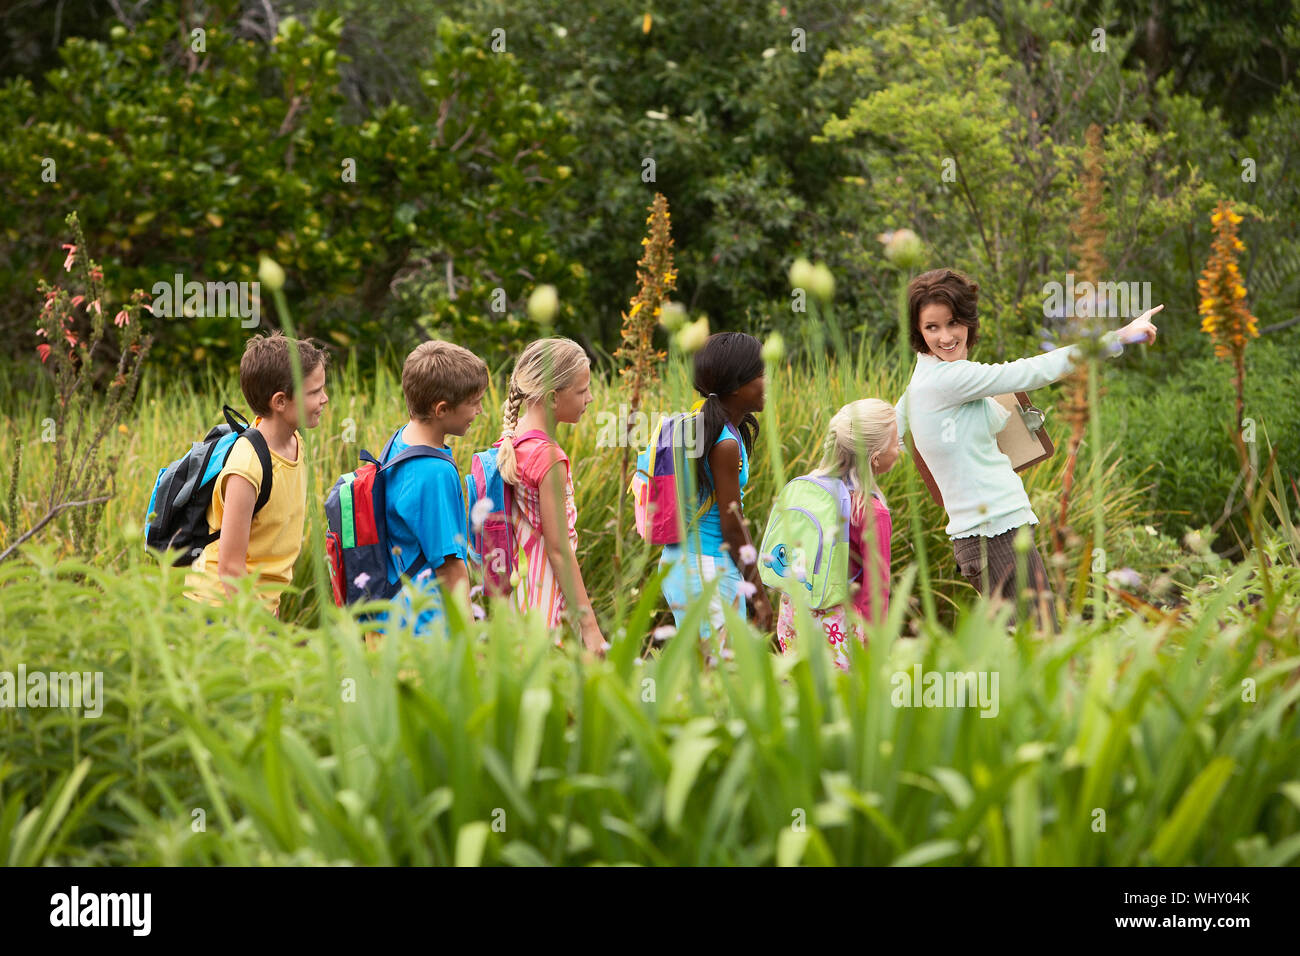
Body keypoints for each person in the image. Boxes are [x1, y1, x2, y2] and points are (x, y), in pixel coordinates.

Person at [895, 268, 1161, 630]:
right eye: (932, 327)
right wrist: (1120, 336)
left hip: (992, 535)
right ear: (919, 332)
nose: (945, 336)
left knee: (1031, 654)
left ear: (969, 321)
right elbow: (1033, 370)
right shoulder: (946, 380)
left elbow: (890, 431)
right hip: (994, 537)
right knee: (1042, 648)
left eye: (954, 322)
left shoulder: (923, 379)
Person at [184, 332, 328, 617]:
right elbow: (230, 568)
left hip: (257, 605)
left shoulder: (294, 441)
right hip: (220, 610)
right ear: (280, 401)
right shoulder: (246, 468)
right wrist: (258, 630)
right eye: (314, 392)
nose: (324, 399)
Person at [660, 332, 774, 643]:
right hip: (706, 568)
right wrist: (759, 596)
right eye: (762, 374)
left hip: (680, 563)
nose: (768, 381)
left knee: (704, 671)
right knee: (722, 676)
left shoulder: (700, 424)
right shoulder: (723, 443)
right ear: (737, 386)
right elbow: (732, 528)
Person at [496, 337, 606, 655]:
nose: (590, 398)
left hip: (515, 596)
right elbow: (559, 551)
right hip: (543, 601)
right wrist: (590, 628)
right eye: (582, 391)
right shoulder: (548, 457)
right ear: (553, 397)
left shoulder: (511, 445)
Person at [775, 399, 899, 669]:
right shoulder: (871, 511)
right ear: (875, 458)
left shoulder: (810, 491)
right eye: (896, 442)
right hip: (839, 626)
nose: (899, 449)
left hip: (795, 612)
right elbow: (876, 590)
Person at [376, 340, 488, 638]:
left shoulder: (400, 441)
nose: (480, 410)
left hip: (392, 615)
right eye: (474, 402)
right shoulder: (434, 472)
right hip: (425, 628)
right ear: (442, 409)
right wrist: (469, 645)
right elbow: (449, 569)